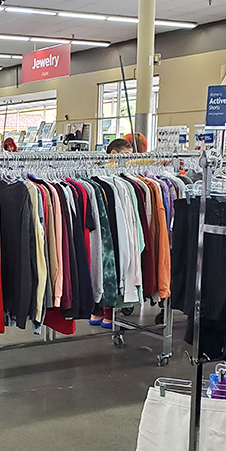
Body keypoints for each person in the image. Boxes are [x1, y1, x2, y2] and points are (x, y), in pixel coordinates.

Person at [89, 136, 134, 329]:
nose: (129, 160)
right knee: (108, 256)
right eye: (127, 156)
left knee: (98, 258)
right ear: (114, 154)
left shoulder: (103, 178)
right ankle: (106, 311)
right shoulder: (113, 182)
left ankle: (97, 311)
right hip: (108, 230)